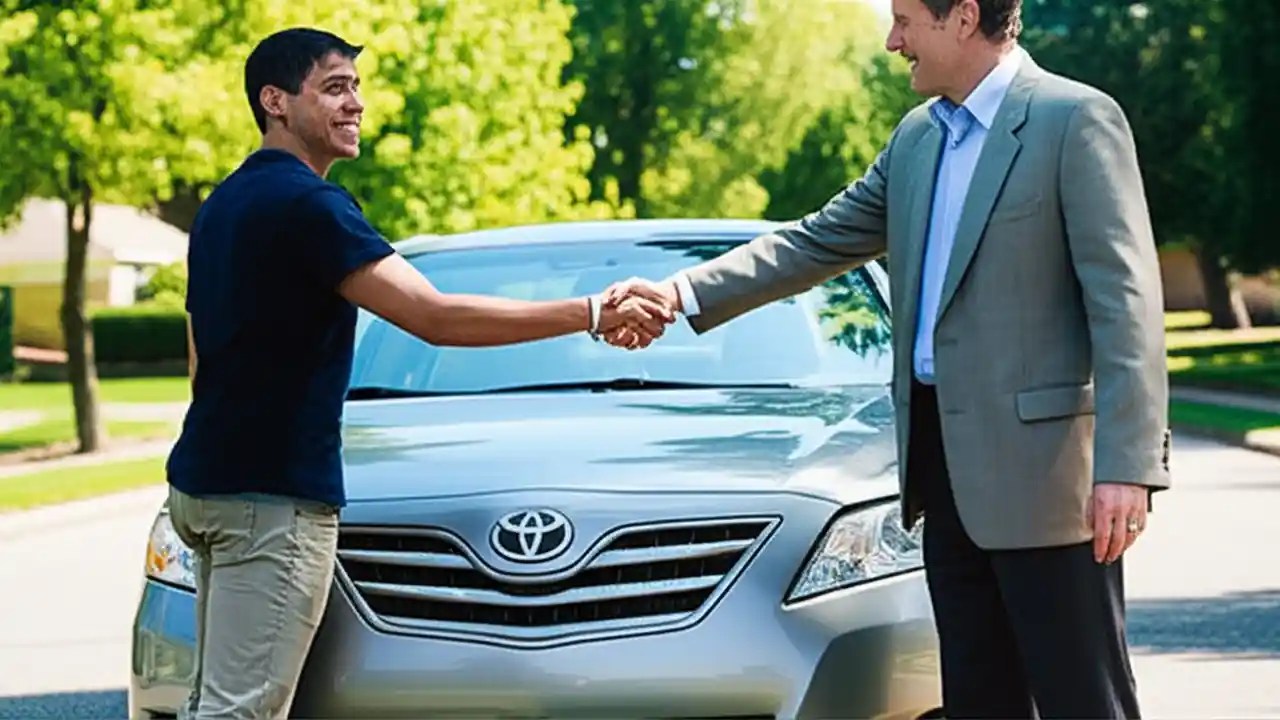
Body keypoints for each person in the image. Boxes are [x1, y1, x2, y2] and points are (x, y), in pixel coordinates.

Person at [603, 0, 1171, 717]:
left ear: (963, 17)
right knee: (977, 699)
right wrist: (677, 292)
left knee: (1082, 700)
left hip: (1048, 484)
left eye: (905, 19)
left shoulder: (1074, 120)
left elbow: (1126, 305)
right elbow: (812, 241)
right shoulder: (916, 141)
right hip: (941, 474)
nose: (892, 40)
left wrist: (1127, 467)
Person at [165, 27, 672, 720]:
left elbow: (202, 357)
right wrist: (590, 312)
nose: (356, 105)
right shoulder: (310, 206)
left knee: (213, 704)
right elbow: (435, 317)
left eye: (357, 89)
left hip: (205, 486)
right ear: (275, 101)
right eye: (335, 87)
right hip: (270, 501)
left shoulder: (222, 205)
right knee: (240, 713)